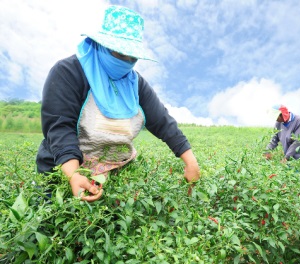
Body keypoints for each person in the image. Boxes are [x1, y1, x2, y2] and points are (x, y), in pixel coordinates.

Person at [36, 5, 200, 202]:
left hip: (112, 170)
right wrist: (73, 175)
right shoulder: (68, 72)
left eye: (132, 57)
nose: (127, 61)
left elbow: (162, 122)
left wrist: (190, 161)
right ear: (102, 44)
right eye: (120, 54)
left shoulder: (135, 83)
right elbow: (60, 128)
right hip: (65, 168)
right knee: (55, 221)